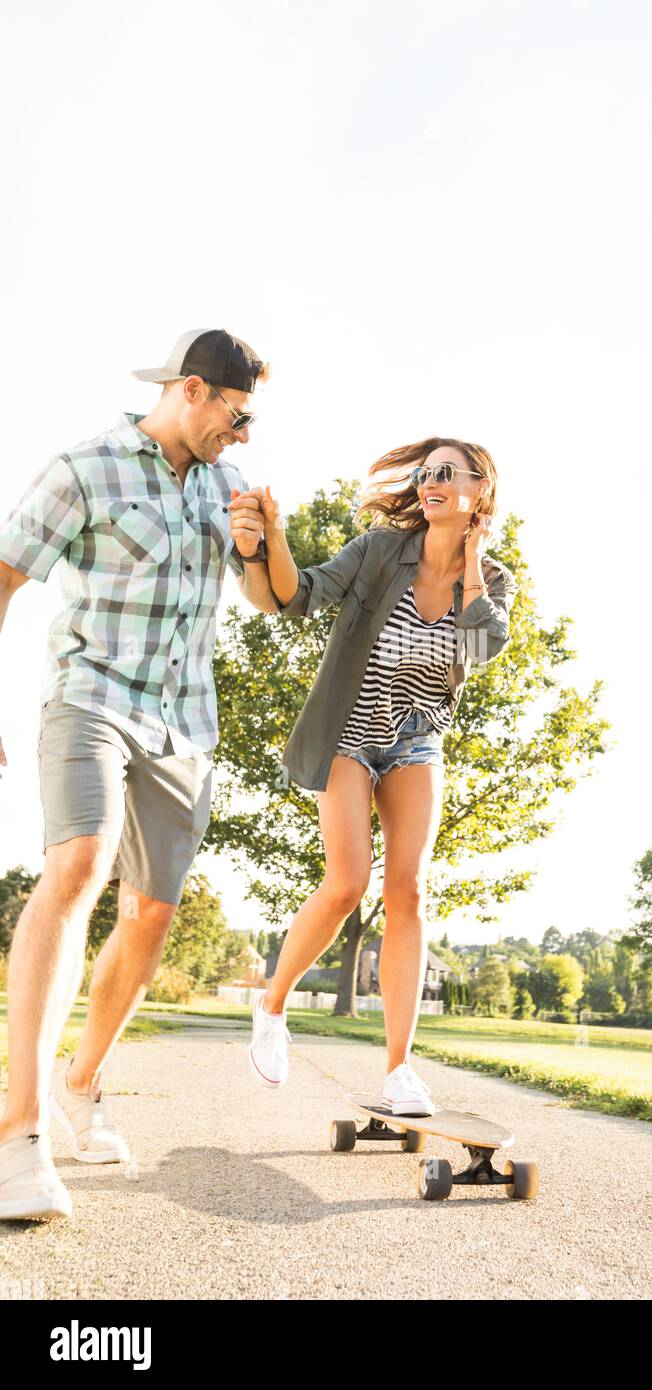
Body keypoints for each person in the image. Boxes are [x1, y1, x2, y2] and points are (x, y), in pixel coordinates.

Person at [0, 328, 279, 1221]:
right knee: (78, 863)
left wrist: (263, 544)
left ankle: (82, 1082)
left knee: (152, 915)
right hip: (89, 695)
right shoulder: (84, 469)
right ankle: (18, 1132)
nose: (243, 437)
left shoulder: (232, 487)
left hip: (185, 724)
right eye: (237, 418)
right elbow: (3, 576)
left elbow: (272, 600)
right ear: (191, 391)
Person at [246, 437, 517, 1117]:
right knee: (346, 884)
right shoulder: (376, 551)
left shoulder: (495, 580)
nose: (431, 483)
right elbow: (298, 597)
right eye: (427, 474)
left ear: (480, 490)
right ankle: (272, 1005)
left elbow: (483, 650)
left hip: (416, 740)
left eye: (447, 474)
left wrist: (475, 565)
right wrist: (272, 538)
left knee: (410, 891)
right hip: (347, 730)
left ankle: (399, 1069)